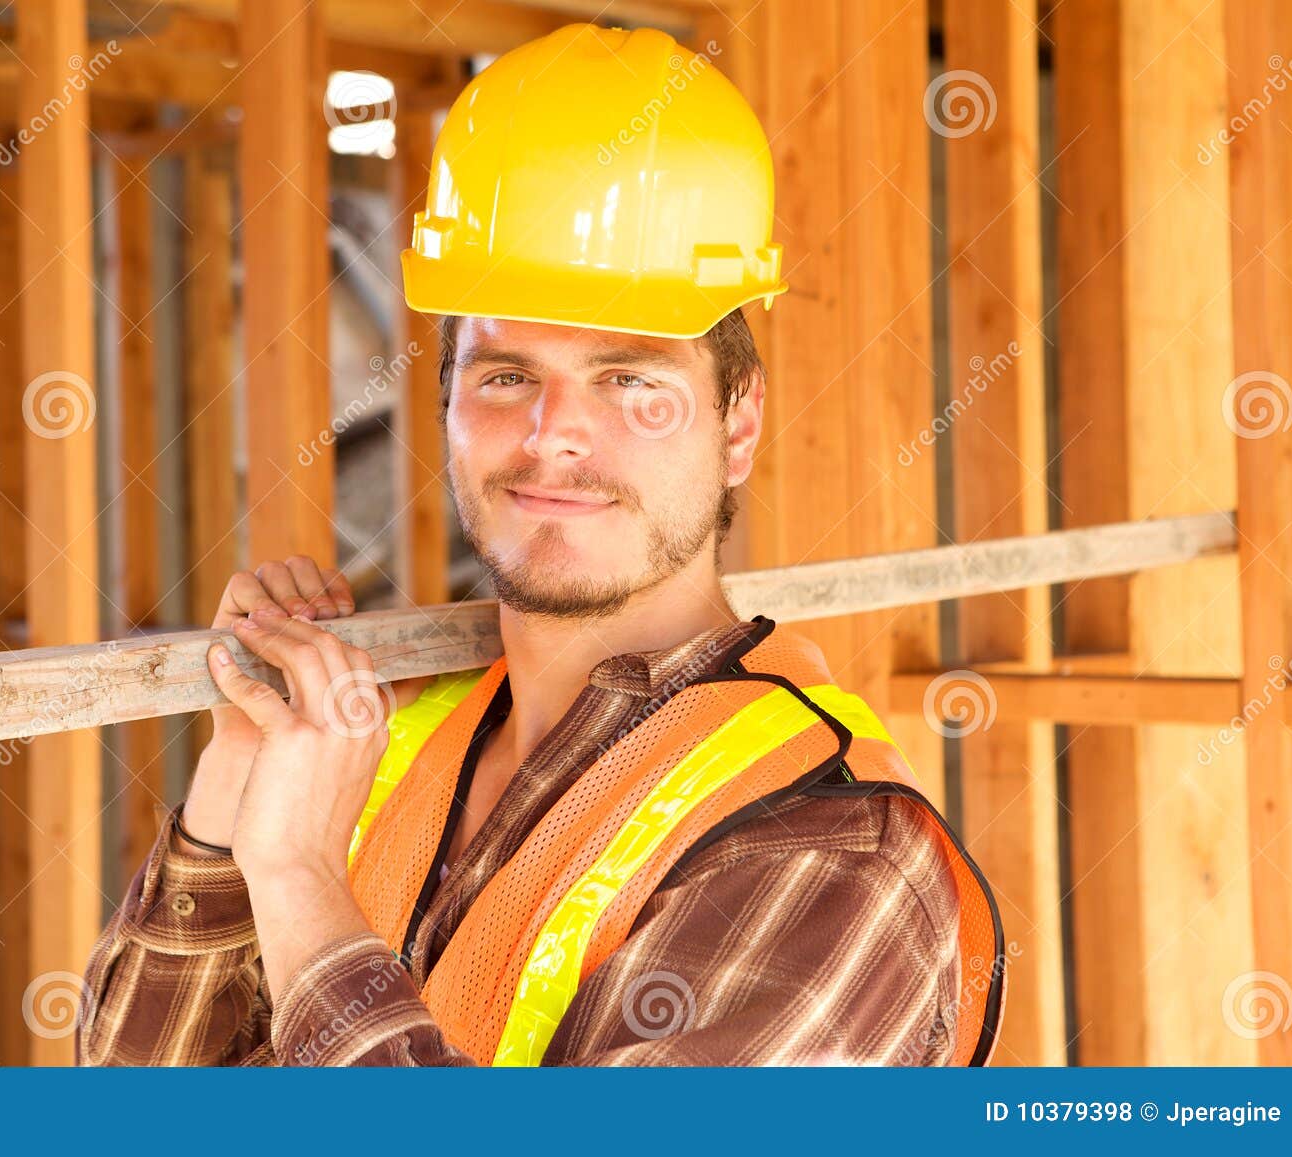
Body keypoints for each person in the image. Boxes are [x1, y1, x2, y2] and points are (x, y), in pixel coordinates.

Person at [77, 22, 1006, 1067]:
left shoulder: (832, 853)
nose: (549, 431)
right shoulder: (390, 747)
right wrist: (236, 782)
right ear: (443, 402)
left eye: (628, 378)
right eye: (505, 374)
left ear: (737, 423)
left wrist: (296, 875)